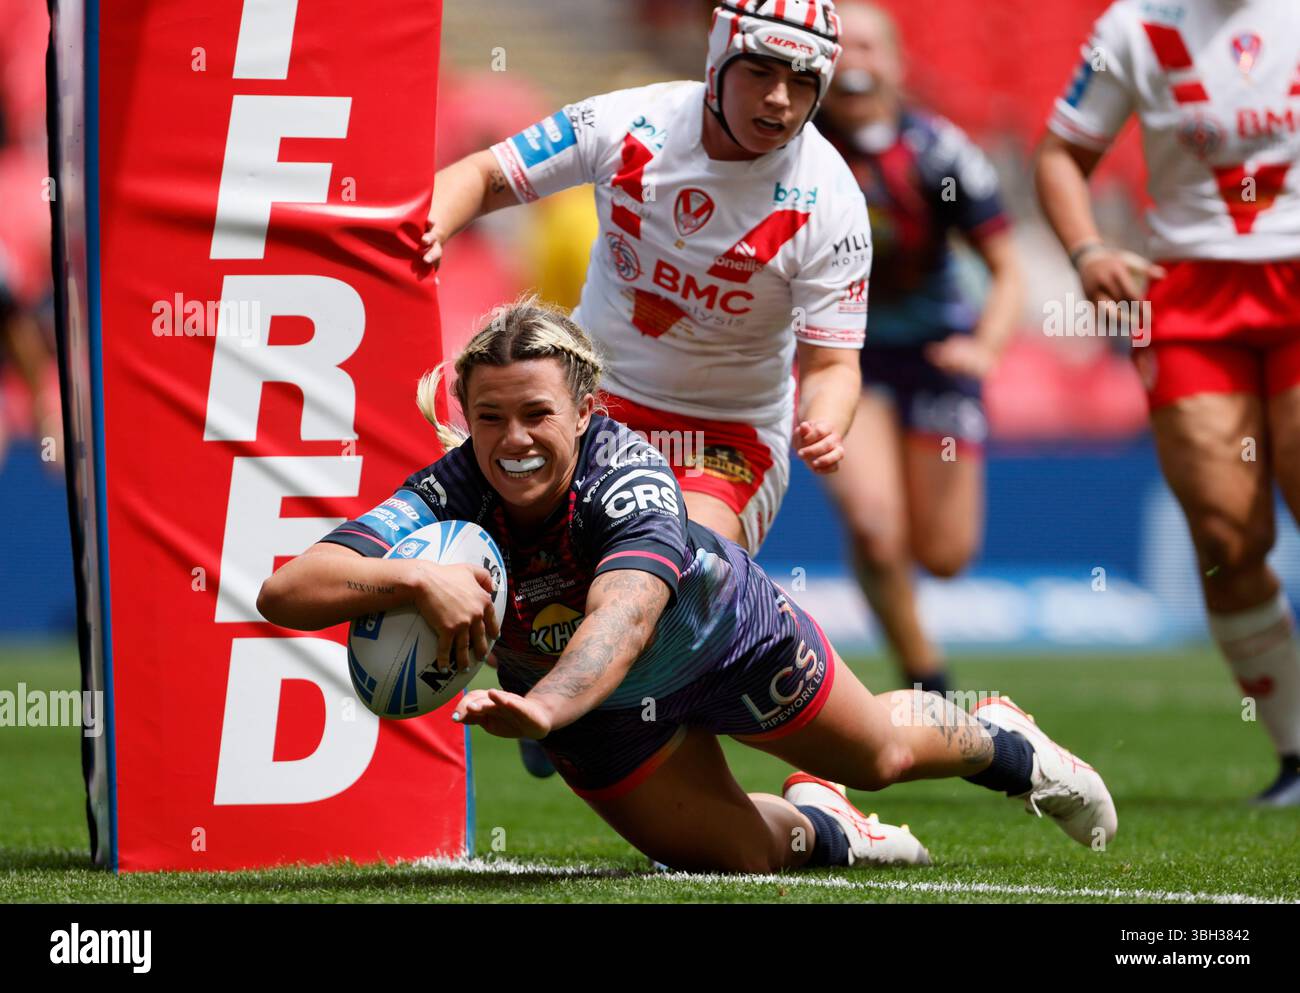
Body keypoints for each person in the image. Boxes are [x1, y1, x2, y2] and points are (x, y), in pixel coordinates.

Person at [257, 298, 1117, 872]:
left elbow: (624, 615)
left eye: (536, 414)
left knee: (884, 756)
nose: (512, 438)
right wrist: (412, 577)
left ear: (585, 410)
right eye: (489, 418)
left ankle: (1007, 740)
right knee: (741, 859)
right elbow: (288, 591)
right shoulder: (449, 489)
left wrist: (545, 709)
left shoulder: (628, 475)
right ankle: (832, 824)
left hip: (725, 643)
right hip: (595, 709)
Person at [422, 0, 868, 556]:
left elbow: (832, 366)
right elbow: (488, 175)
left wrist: (826, 419)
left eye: (802, 81)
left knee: (681, 571)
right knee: (497, 563)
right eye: (760, 72)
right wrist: (427, 229)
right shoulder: (631, 122)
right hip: (591, 403)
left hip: (726, 437)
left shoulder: (833, 199)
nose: (779, 98)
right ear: (719, 59)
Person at [1034, 0, 1300, 805]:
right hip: (1188, 298)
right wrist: (1087, 252)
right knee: (1226, 531)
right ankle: (1296, 753)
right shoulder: (1134, 25)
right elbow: (1060, 155)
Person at [812, 1, 1024, 696]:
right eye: (842, 48)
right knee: (874, 525)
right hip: (840, 358)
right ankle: (926, 679)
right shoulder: (793, 149)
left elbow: (1008, 269)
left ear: (898, 64)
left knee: (946, 554)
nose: (855, 61)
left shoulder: (941, 153)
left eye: (871, 47)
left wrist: (984, 349)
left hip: (935, 358)